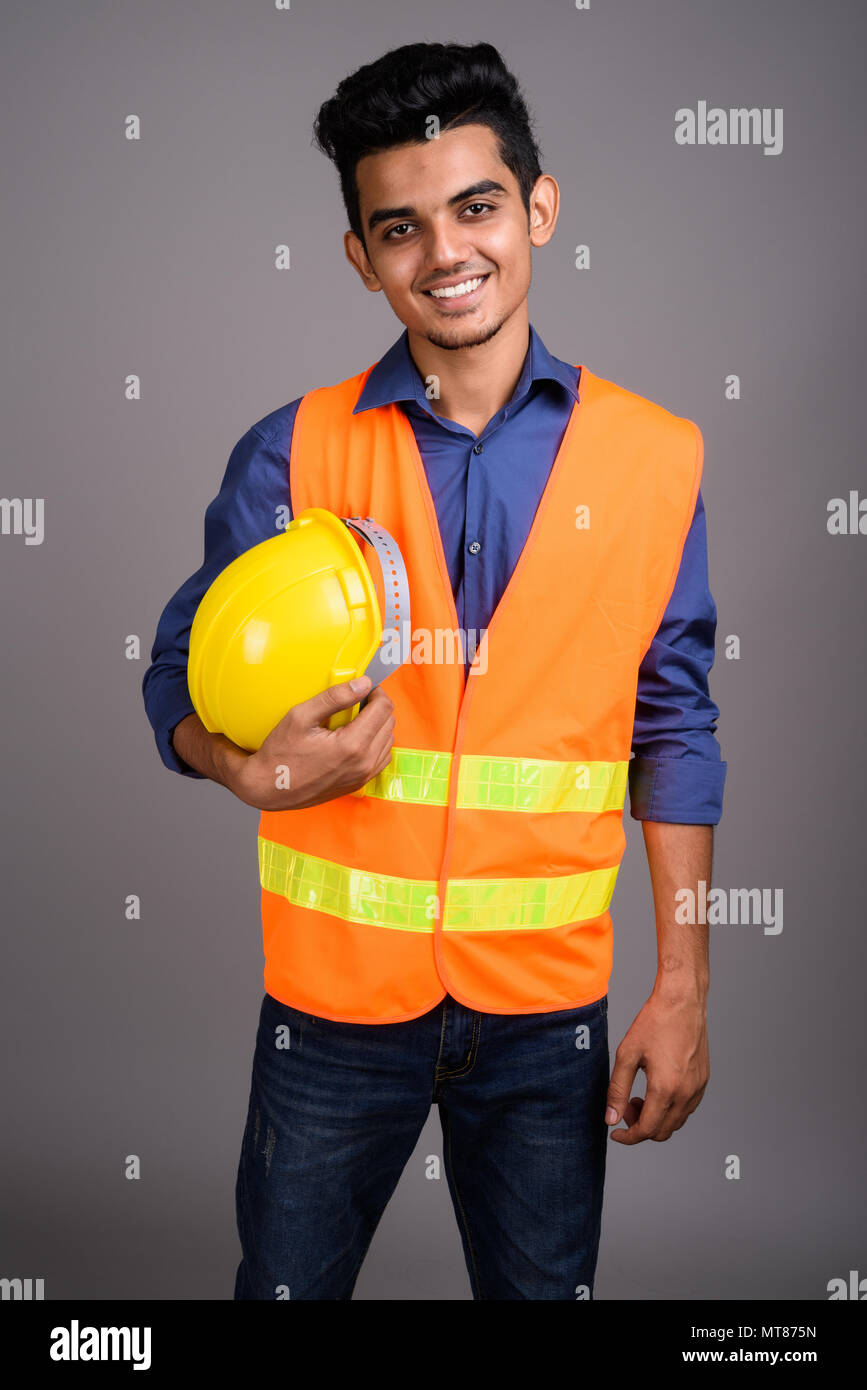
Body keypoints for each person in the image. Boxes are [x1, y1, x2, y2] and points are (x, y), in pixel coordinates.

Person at [142, 40, 726, 1301]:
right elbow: (175, 674)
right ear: (360, 257)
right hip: (331, 1011)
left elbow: (673, 727)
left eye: (476, 207)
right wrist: (244, 766)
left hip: (546, 1016)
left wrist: (681, 986)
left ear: (539, 208)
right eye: (398, 228)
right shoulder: (290, 451)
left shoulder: (654, 455)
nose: (444, 252)